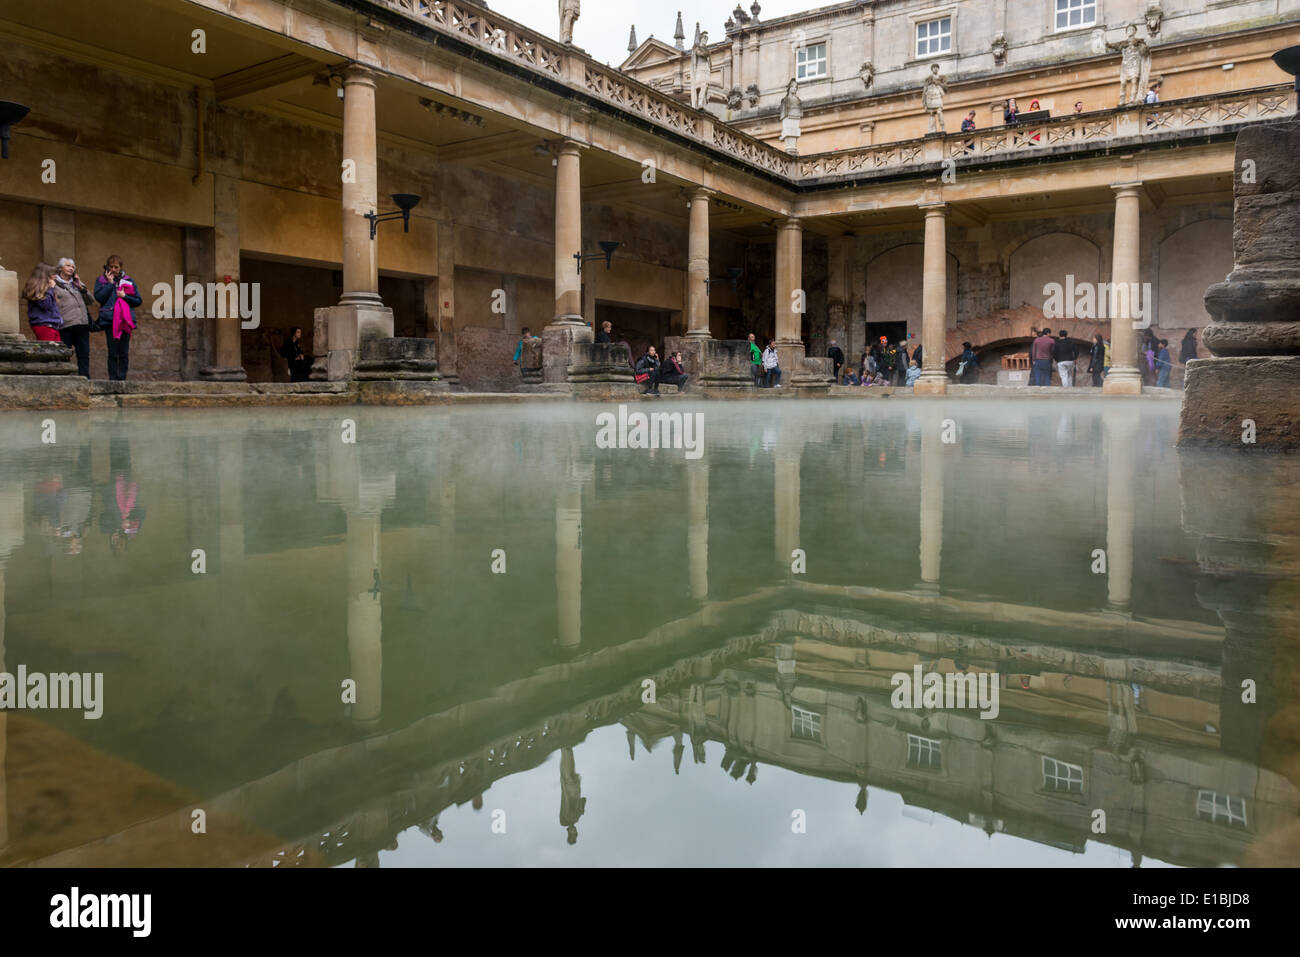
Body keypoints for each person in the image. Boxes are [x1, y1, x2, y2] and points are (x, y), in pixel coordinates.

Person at [93, 255, 142, 381]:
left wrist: (125, 296)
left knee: (123, 351)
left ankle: (122, 378)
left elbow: (138, 300)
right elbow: (99, 298)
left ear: (120, 268)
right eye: (111, 267)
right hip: (110, 320)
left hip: (124, 320)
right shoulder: (101, 281)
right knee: (113, 351)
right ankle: (113, 379)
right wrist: (110, 284)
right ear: (107, 267)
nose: (113, 269)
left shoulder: (128, 281)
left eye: (116, 267)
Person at [52, 258, 95, 377]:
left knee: (84, 353)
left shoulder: (77, 283)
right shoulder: (54, 284)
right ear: (60, 268)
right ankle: (64, 377)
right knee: (64, 353)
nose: (71, 268)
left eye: (72, 266)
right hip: (65, 324)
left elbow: (91, 301)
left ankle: (85, 377)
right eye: (68, 266)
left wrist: (81, 287)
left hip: (81, 323)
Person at [22, 262, 63, 342]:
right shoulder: (37, 289)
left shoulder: (47, 290)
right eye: (53, 274)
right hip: (44, 325)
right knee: (49, 351)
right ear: (45, 275)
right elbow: (46, 305)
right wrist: (51, 288)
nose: (55, 277)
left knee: (57, 352)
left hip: (52, 326)